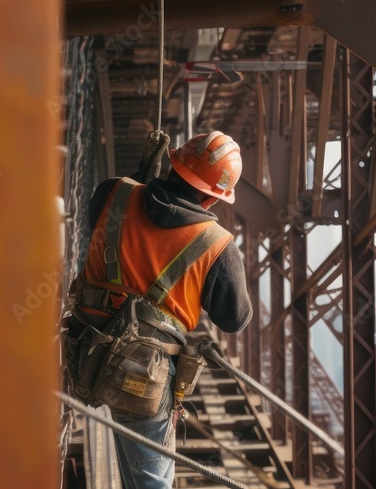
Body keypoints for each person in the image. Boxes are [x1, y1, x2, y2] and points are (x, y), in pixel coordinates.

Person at [66, 131, 253, 488]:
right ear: (214, 198)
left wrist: (141, 181)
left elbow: (99, 228)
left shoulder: (113, 191)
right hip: (137, 377)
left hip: (78, 347)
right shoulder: (218, 245)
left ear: (174, 164)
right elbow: (234, 318)